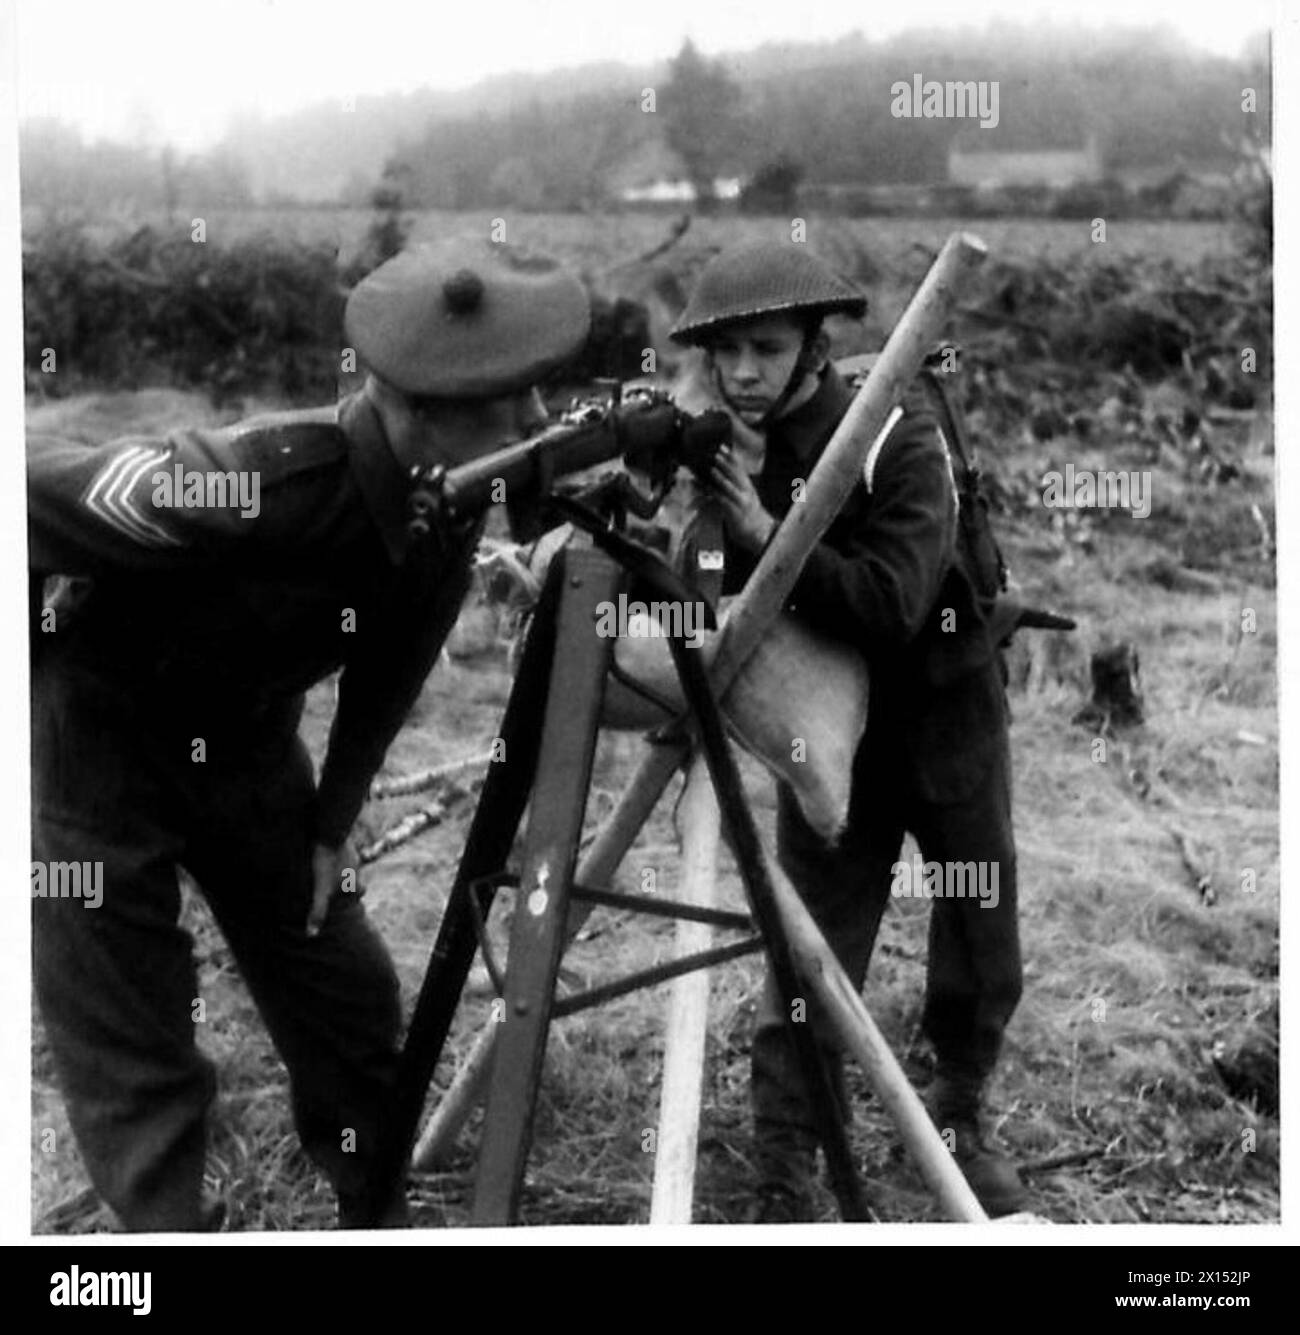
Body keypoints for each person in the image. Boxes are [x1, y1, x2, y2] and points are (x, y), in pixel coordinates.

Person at [28, 238, 590, 1232]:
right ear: (417, 411)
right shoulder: (241, 483)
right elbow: (30, 493)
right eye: (510, 399)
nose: (537, 420)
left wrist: (332, 821)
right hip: (101, 747)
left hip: (245, 757)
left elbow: (391, 669)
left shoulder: (444, 506)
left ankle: (371, 1218)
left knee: (348, 996)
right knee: (136, 1040)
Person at [669, 240, 1027, 1221]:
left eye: (767, 348)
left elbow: (891, 600)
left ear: (814, 345)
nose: (744, 372)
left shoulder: (894, 437)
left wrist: (763, 540)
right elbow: (703, 597)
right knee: (810, 951)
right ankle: (788, 1158)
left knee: (977, 929)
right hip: (825, 736)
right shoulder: (725, 447)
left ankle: (958, 1115)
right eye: (727, 351)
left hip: (940, 710)